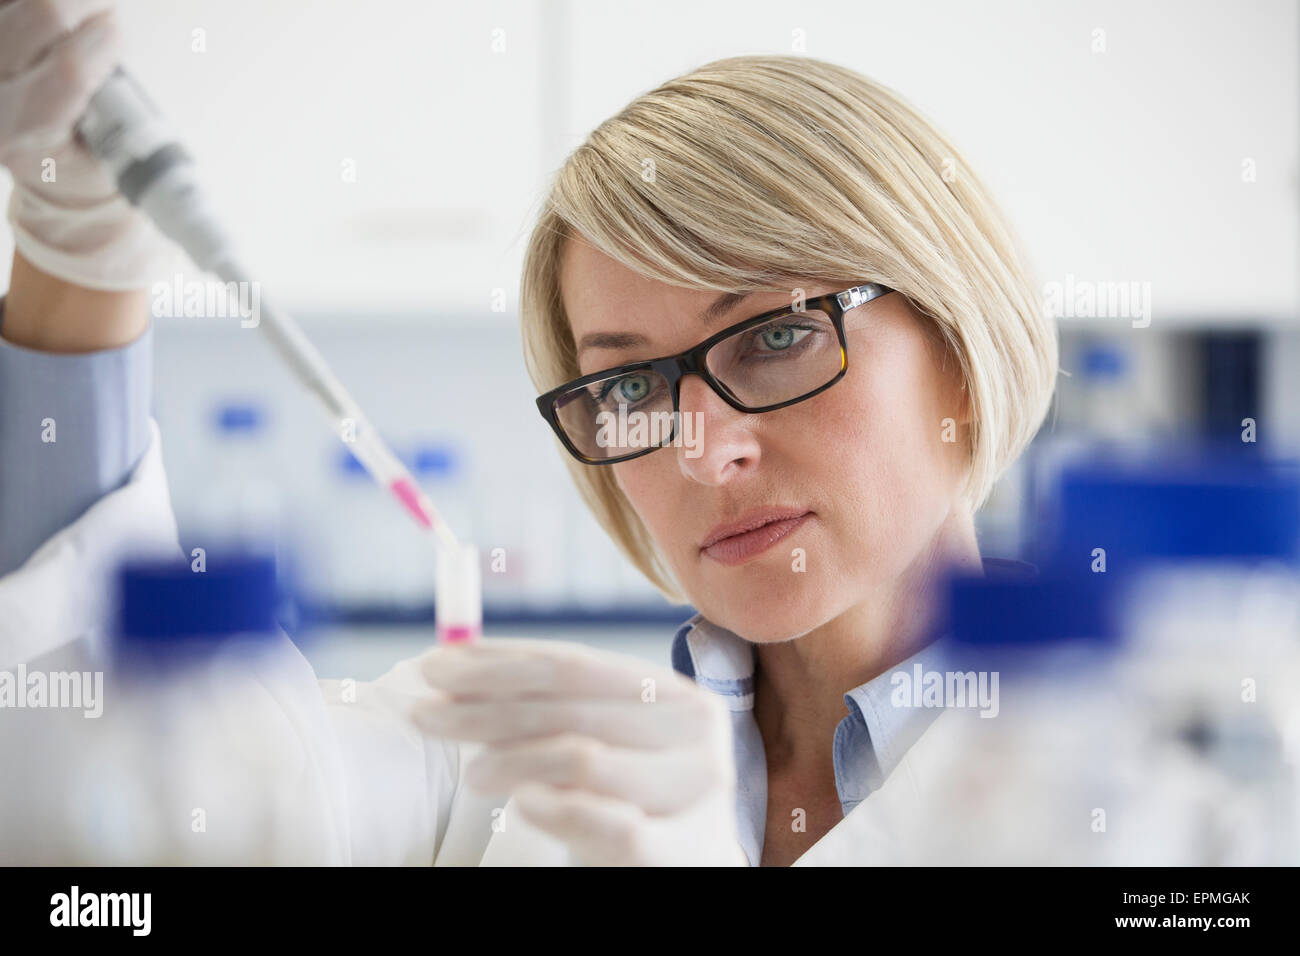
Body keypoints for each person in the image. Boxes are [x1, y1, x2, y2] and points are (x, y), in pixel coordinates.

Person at [0, 0, 1055, 866]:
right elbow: (144, 796)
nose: (702, 449)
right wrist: (78, 259)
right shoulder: (510, 774)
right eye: (630, 384)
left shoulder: (1156, 817)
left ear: (956, 346)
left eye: (775, 336)